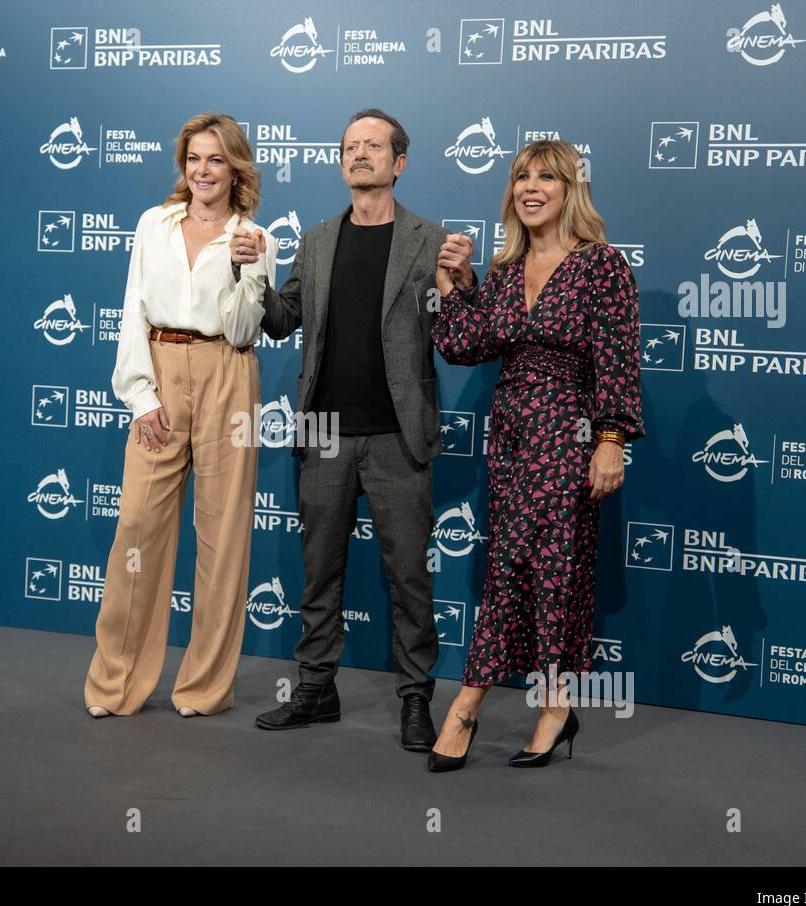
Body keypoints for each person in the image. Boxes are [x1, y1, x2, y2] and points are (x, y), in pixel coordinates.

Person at [233, 108, 476, 751]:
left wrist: (465, 283)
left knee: (409, 578)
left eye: (373, 146)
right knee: (319, 573)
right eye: (350, 146)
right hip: (323, 431)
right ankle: (316, 690)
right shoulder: (316, 240)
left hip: (399, 433)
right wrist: (250, 271)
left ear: (400, 162)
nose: (359, 154)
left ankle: (417, 699)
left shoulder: (431, 240)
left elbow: (461, 335)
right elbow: (281, 320)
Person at [426, 139, 643, 771]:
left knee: (554, 569)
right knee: (513, 566)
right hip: (511, 435)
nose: (530, 187)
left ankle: (475, 706)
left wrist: (610, 440)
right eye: (522, 176)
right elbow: (466, 346)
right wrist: (453, 287)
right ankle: (550, 705)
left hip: (569, 432)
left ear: (571, 189)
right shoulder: (504, 269)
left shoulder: (601, 265)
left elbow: (617, 359)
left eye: (546, 176)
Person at [84, 113, 277, 717]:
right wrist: (141, 396)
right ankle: (115, 684)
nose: (203, 171)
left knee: (223, 537)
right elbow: (132, 311)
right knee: (137, 530)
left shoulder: (255, 237)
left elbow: (245, 330)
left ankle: (204, 687)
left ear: (236, 169)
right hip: (161, 369)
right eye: (194, 159)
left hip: (228, 372)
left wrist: (247, 269)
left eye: (216, 159)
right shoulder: (154, 223)